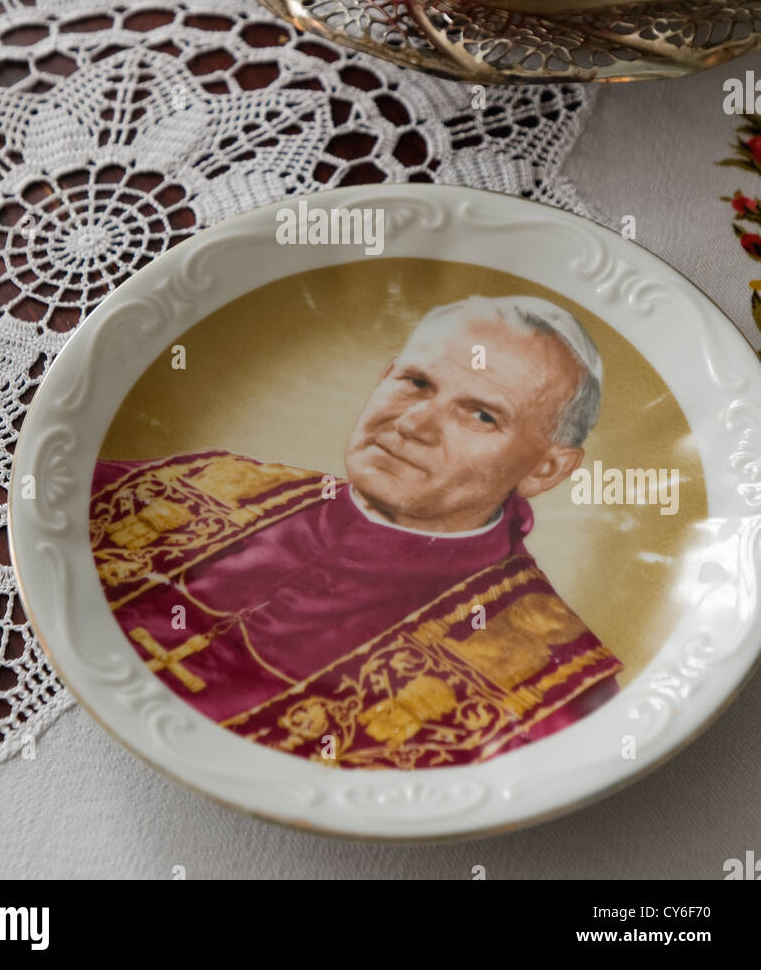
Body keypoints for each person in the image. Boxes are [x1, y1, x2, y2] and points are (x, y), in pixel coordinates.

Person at [90, 295, 621, 770]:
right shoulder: (202, 481)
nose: (413, 423)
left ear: (545, 470)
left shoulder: (557, 690)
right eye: (416, 383)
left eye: (480, 414)